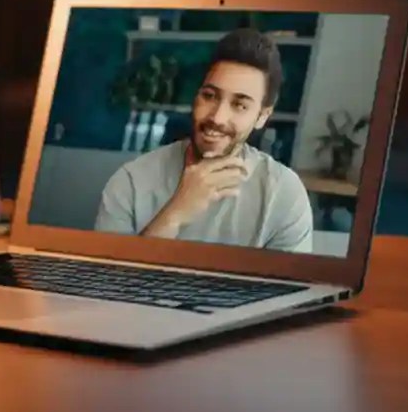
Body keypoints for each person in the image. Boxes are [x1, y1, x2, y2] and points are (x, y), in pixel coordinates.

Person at [95, 29, 314, 252]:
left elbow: (287, 287)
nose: (217, 117)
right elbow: (108, 283)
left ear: (262, 116)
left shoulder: (284, 195)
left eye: (240, 105)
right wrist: (174, 215)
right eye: (209, 96)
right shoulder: (131, 182)